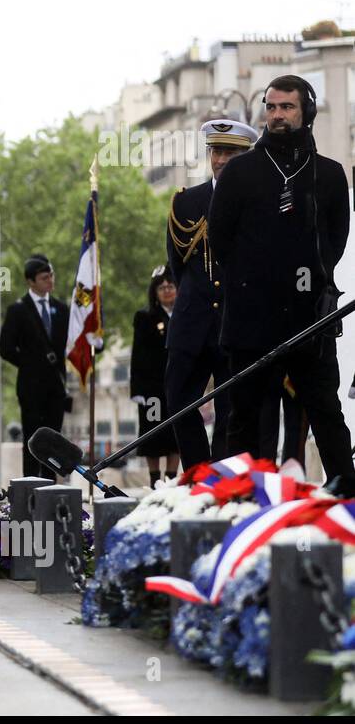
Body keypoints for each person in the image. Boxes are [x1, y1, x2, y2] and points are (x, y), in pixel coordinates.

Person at [208, 74, 355, 486]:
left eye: (286, 107)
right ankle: (241, 497)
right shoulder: (239, 173)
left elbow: (335, 240)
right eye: (271, 107)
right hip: (251, 320)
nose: (277, 116)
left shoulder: (327, 175)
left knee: (325, 411)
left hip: (311, 319)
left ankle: (345, 491)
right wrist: (258, 281)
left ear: (305, 112)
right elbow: (221, 241)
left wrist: (307, 280)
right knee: (247, 416)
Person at [165, 118, 257, 468]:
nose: (220, 160)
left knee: (230, 409)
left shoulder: (259, 202)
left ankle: (220, 479)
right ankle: (197, 473)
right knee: (177, 400)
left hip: (236, 323)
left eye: (230, 152)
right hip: (192, 322)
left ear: (245, 155)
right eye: (216, 151)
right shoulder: (186, 202)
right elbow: (177, 266)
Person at [0, 254, 70, 479]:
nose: (50, 280)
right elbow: (6, 348)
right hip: (30, 385)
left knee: (53, 440)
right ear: (31, 281)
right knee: (32, 437)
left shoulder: (61, 308)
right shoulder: (18, 310)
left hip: (56, 385)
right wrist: (30, 364)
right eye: (44, 277)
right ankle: (30, 485)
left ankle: (51, 484)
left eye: (51, 276)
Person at [130, 266, 179, 486]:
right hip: (152, 387)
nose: (167, 291)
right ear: (155, 292)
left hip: (178, 384)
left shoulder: (185, 313)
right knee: (153, 434)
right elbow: (138, 355)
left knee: (176, 434)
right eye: (162, 287)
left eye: (171, 286)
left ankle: (170, 479)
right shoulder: (145, 317)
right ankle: (154, 481)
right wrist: (137, 390)